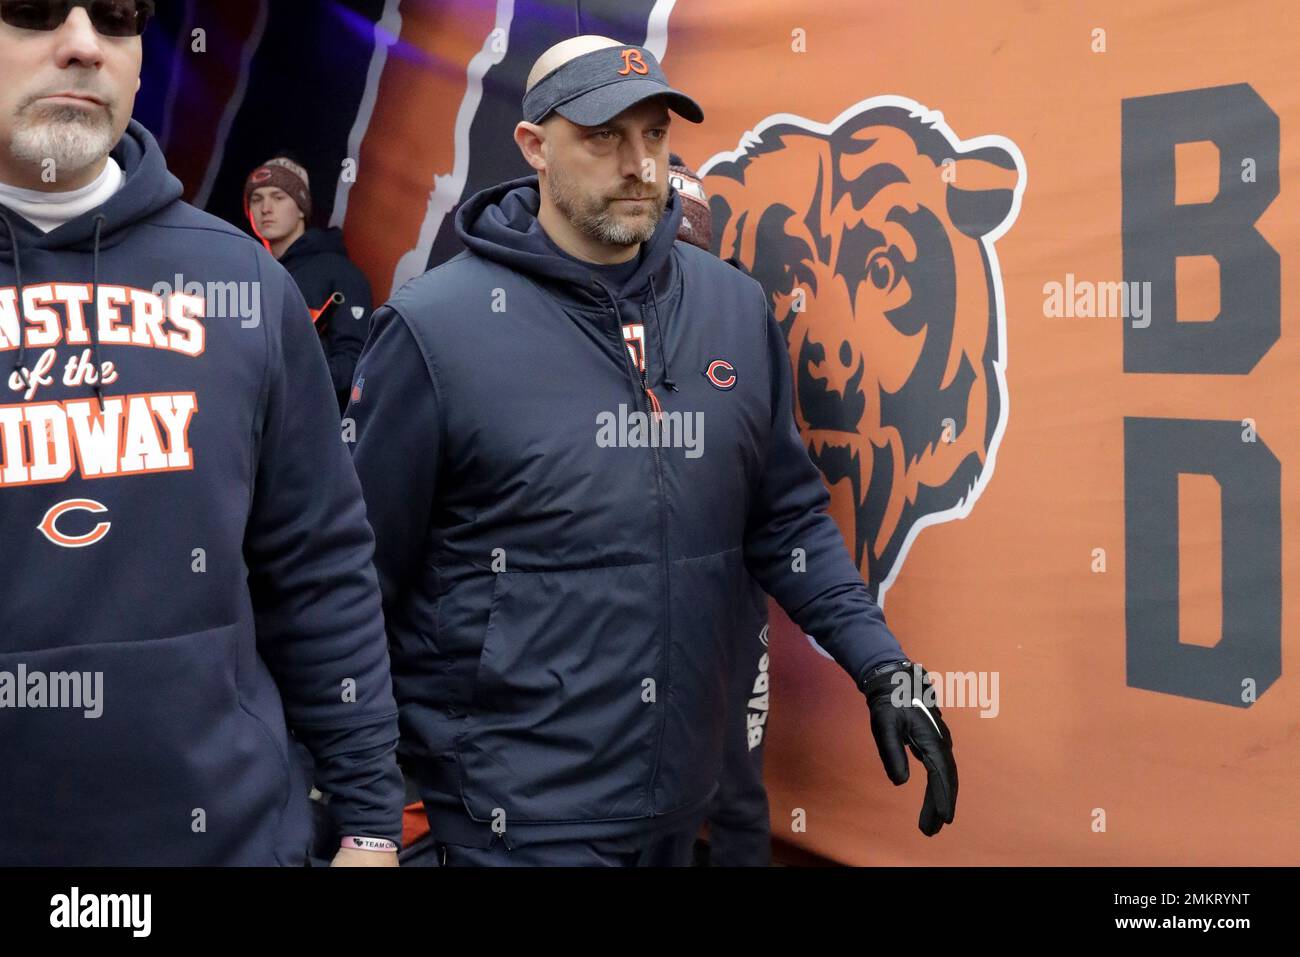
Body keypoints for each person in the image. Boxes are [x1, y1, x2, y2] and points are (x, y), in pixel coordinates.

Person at [347, 34, 957, 866]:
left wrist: (884, 666)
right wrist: (365, 808)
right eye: (605, 136)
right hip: (504, 820)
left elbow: (787, 521)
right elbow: (353, 584)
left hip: (679, 809)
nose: (641, 165)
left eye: (656, 135)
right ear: (533, 145)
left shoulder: (735, 310)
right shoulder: (436, 331)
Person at [0, 0, 402, 865]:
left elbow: (321, 566)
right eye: (31, 11)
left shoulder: (244, 284)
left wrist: (370, 821)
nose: (82, 46)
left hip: (222, 837)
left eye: (115, 18)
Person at [667, 153, 773, 866]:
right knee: (655, 784)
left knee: (738, 775)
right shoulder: (590, 309)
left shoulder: (742, 308)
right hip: (638, 585)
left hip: (734, 579)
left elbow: (774, 460)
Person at [245, 155, 372, 413]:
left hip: (306, 429)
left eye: (278, 197)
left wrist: (291, 385)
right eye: (256, 199)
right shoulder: (246, 272)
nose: (266, 208)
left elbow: (355, 364)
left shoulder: (339, 273)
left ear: (301, 207)